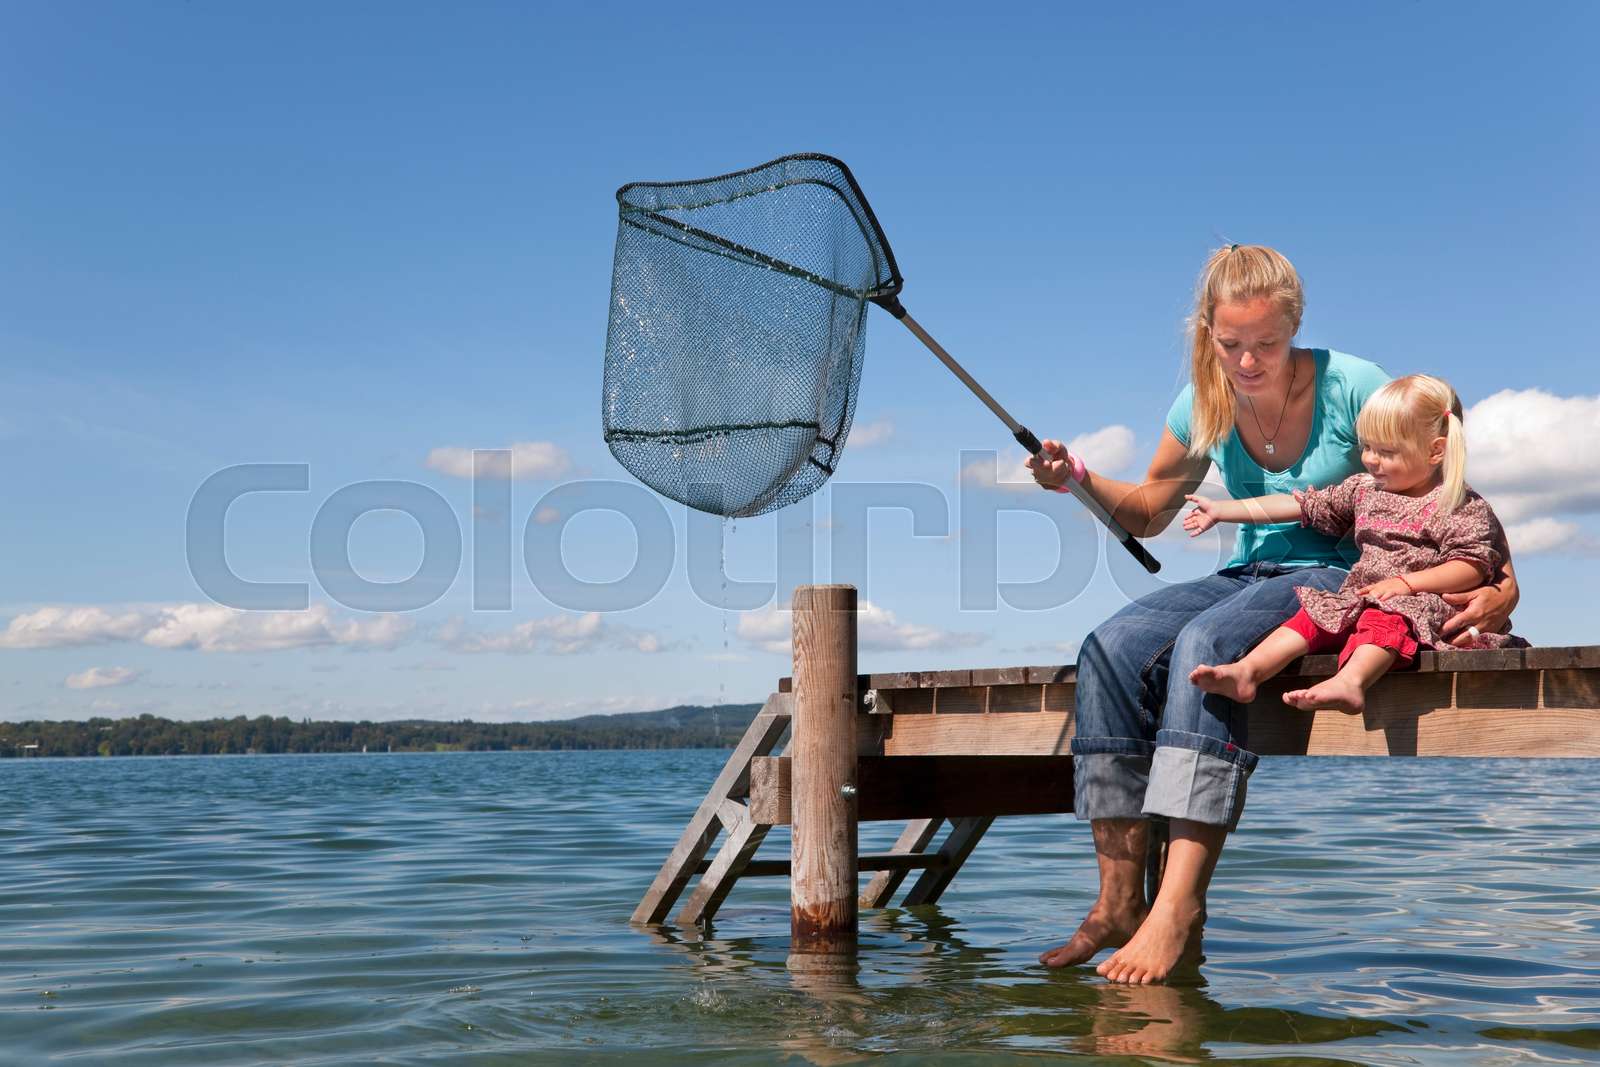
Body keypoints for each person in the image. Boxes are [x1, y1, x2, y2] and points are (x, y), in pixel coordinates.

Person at [1025, 245, 1520, 984]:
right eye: (1231, 345)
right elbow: (1152, 512)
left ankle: (1178, 905)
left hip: (1341, 574)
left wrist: (1503, 584)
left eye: (1267, 343)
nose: (1249, 361)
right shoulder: (1202, 400)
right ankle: (1121, 898)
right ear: (1208, 333)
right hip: (1245, 572)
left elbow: (1443, 489)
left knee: (1206, 642)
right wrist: (1079, 479)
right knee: (1111, 644)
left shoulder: (1355, 384)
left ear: (1296, 326)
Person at [1185, 374, 1521, 714]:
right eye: (1368, 447)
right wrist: (1223, 510)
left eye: (1386, 451)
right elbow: (1301, 504)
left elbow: (1469, 566)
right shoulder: (1364, 490)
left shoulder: (1456, 503)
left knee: (1386, 619)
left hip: (1424, 605)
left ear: (1435, 450)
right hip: (1368, 595)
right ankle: (1248, 672)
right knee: (1313, 615)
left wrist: (1406, 584)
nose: (1371, 459)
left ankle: (1351, 682)